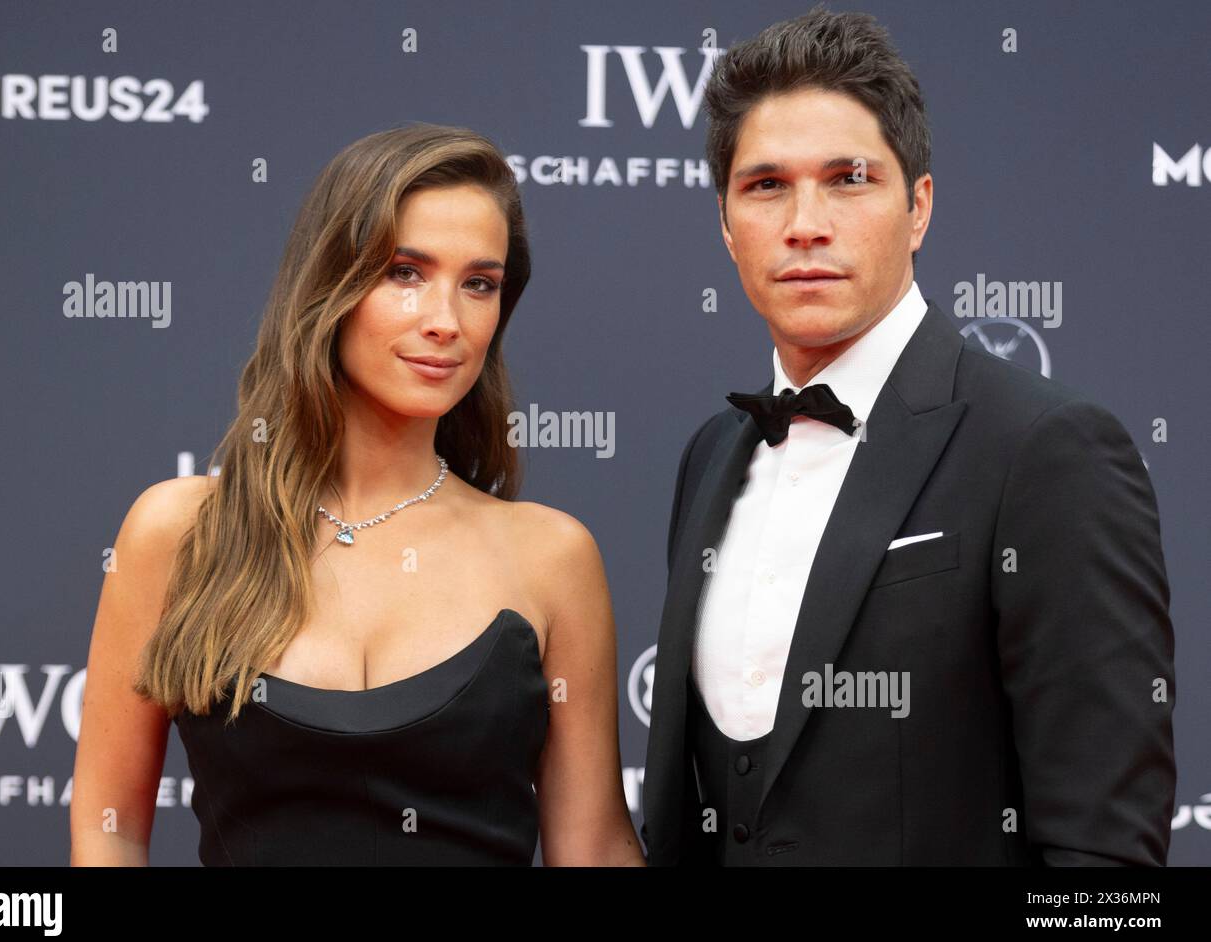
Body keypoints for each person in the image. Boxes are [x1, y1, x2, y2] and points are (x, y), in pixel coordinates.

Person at [641, 9, 1176, 866]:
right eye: (766, 185)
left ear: (918, 207)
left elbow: (1105, 862)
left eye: (848, 179)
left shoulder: (1046, 449)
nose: (805, 223)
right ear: (725, 224)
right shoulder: (711, 456)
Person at [70, 123, 644, 866]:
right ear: (329, 283)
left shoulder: (551, 555)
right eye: (405, 272)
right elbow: (109, 828)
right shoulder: (177, 532)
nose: (445, 321)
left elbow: (592, 847)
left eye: (480, 284)